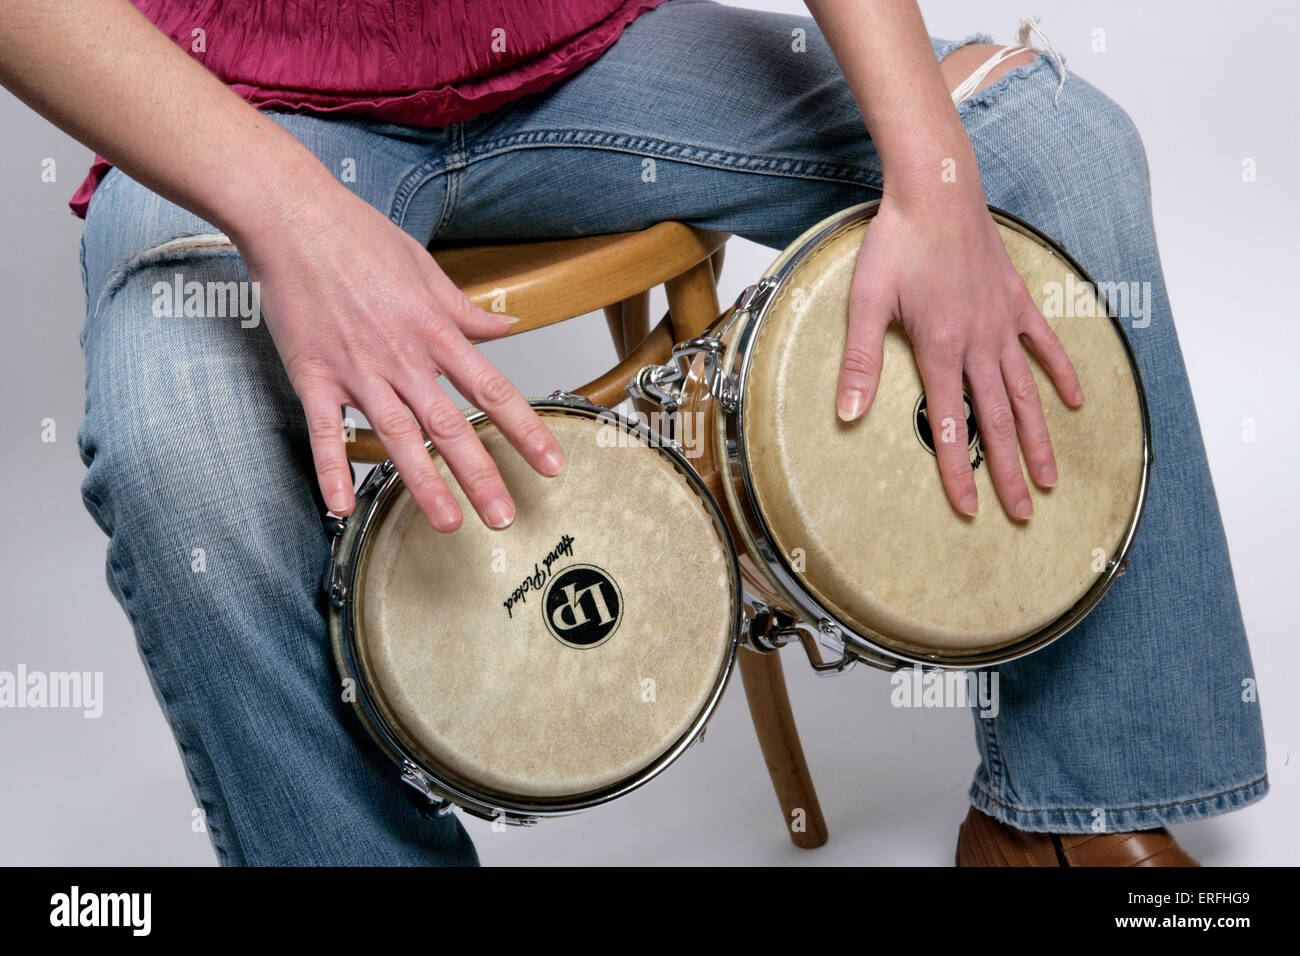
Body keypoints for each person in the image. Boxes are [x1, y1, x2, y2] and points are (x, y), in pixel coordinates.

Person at [0, 0, 1266, 865]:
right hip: (231, 116)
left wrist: (931, 172)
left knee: (1049, 150)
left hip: (577, 59)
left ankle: (1064, 817)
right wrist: (288, 212)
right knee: (180, 437)